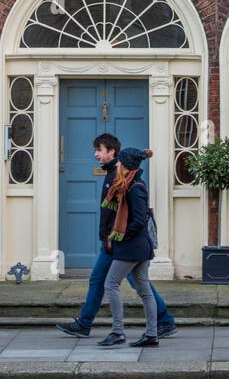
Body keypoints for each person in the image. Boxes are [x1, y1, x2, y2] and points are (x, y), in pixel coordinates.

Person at [56, 133, 177, 340]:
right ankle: (85, 323)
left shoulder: (119, 175)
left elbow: (124, 213)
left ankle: (161, 321)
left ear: (112, 152)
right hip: (113, 240)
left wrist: (113, 237)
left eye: (99, 150)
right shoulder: (113, 173)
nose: (96, 154)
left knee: (135, 283)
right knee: (104, 280)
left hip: (120, 242)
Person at [99, 147, 157, 348]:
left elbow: (139, 220)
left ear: (126, 165)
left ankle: (117, 332)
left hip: (133, 247)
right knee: (144, 289)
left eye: (120, 162)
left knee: (111, 284)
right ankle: (151, 335)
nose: (117, 165)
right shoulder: (127, 185)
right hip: (138, 247)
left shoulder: (135, 187)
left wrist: (120, 237)